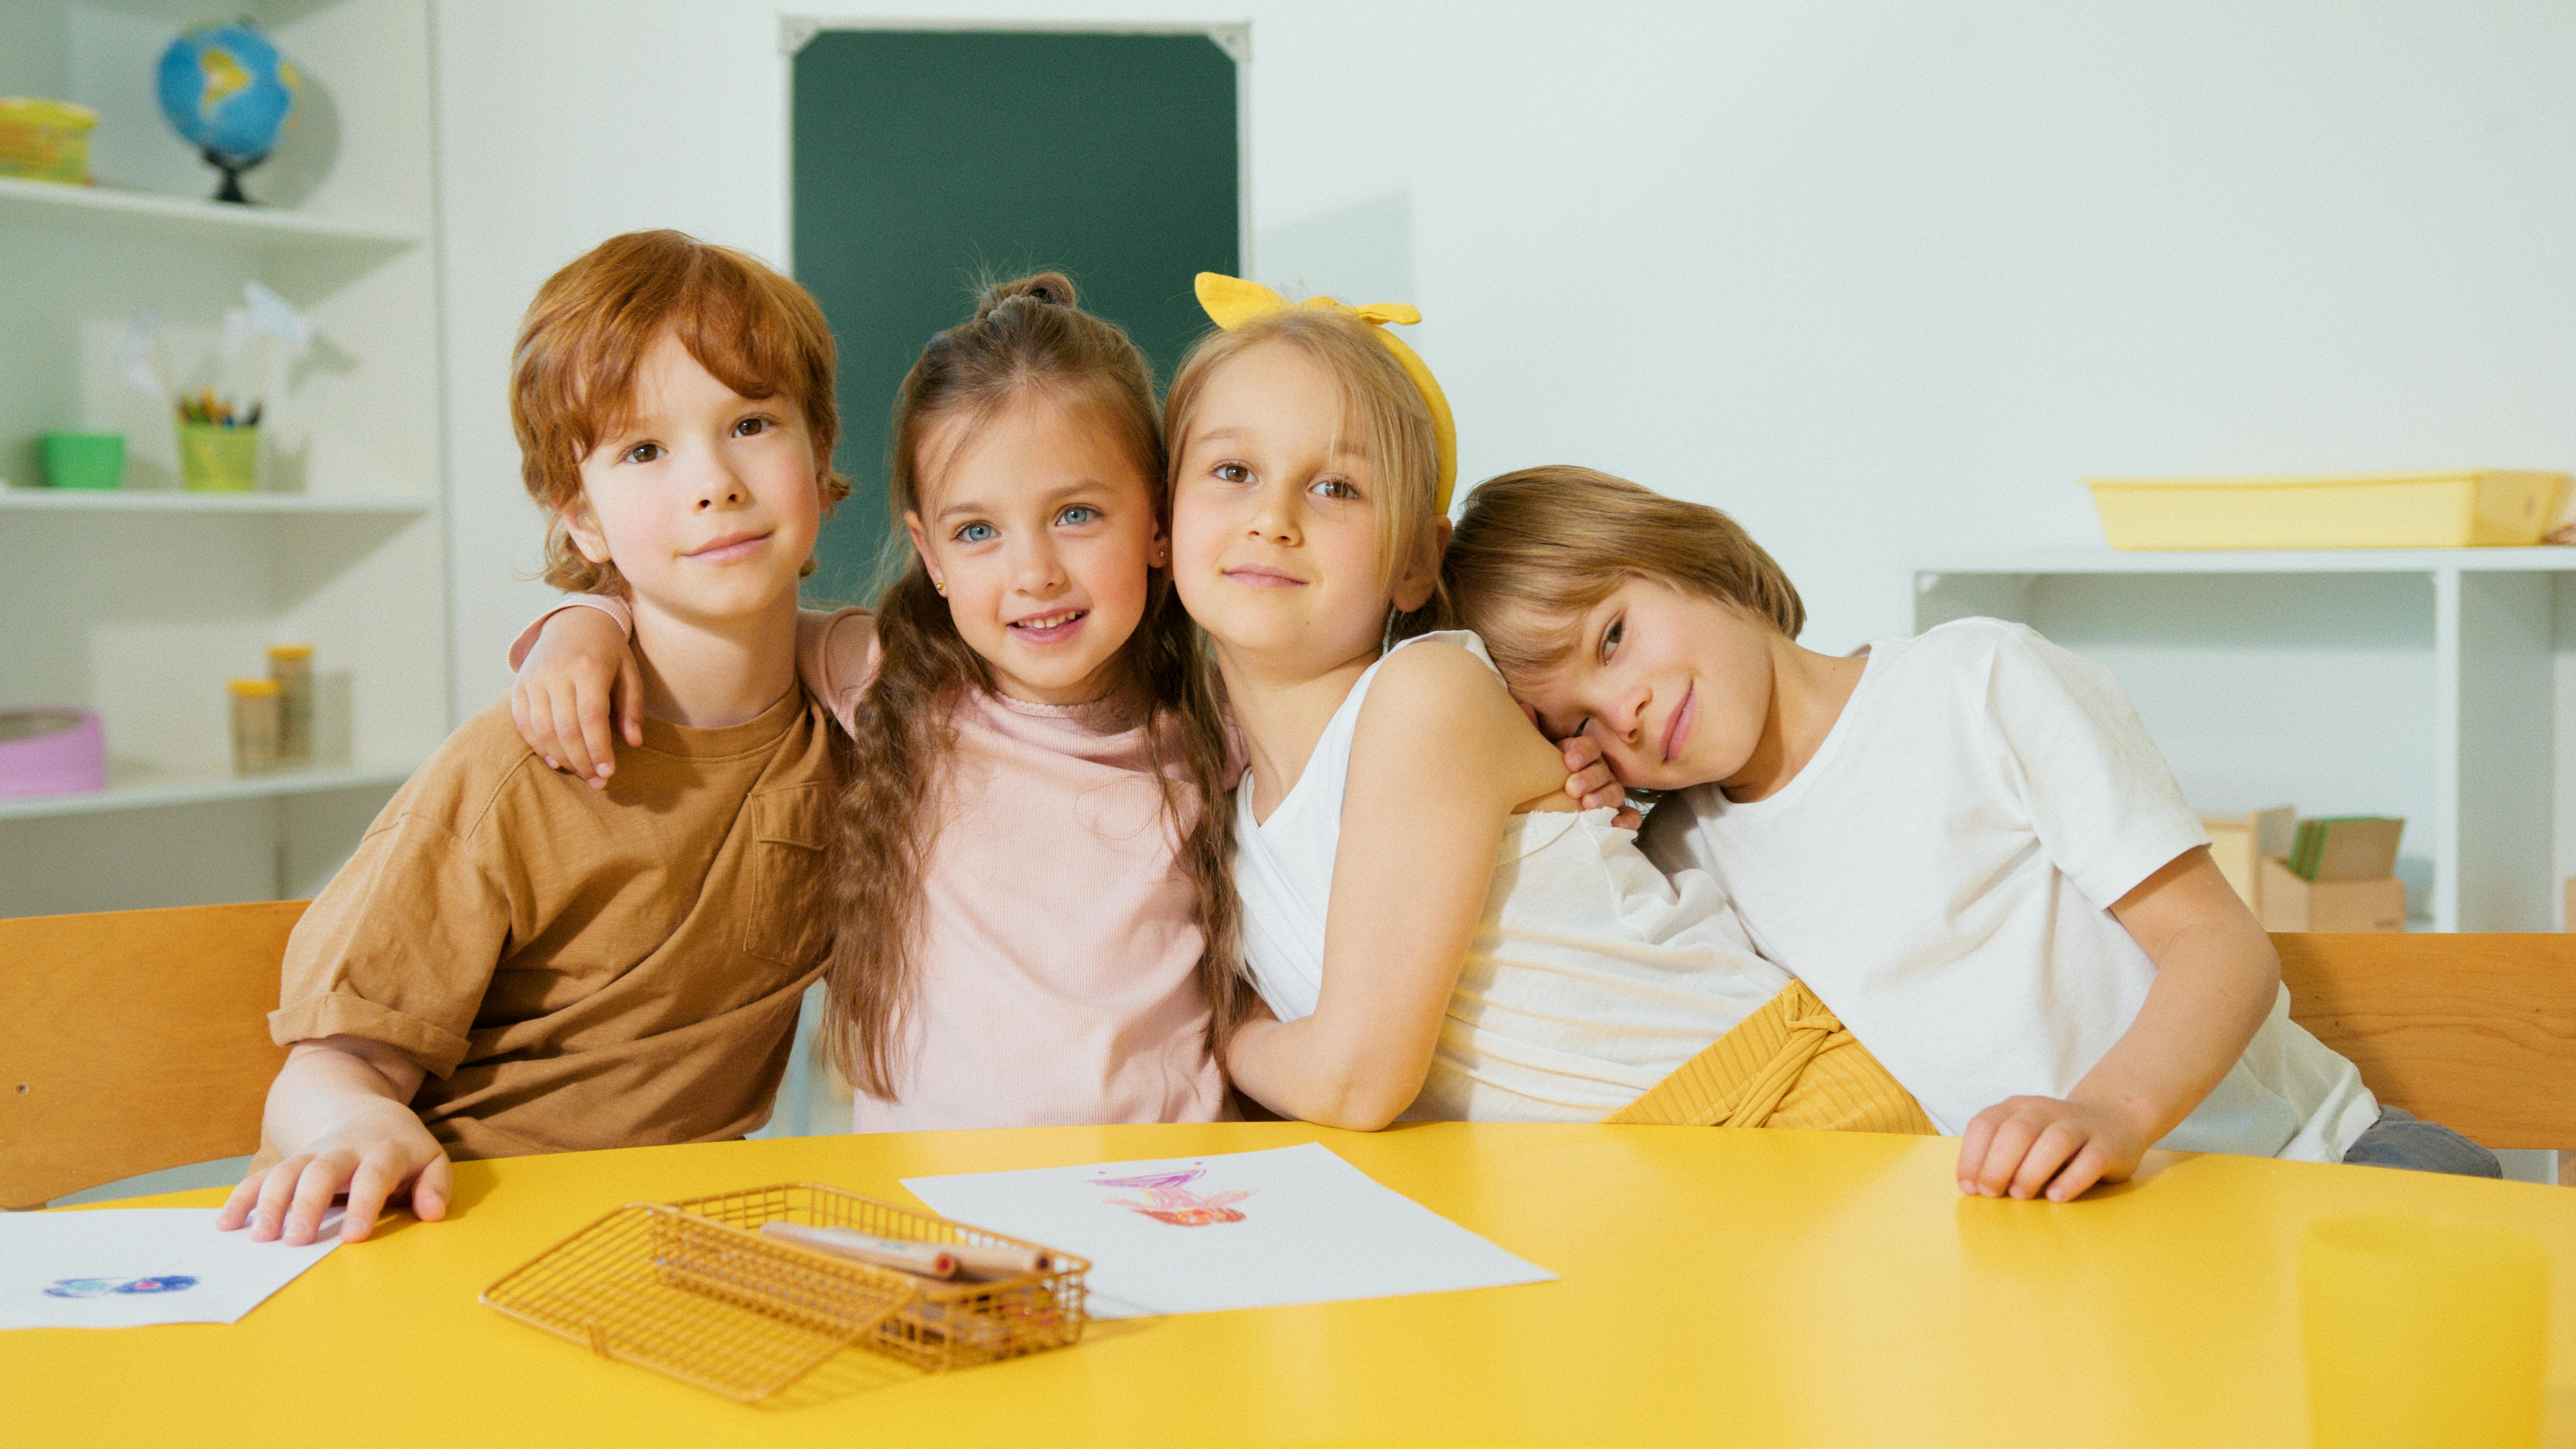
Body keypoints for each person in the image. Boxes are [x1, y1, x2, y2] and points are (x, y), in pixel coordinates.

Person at [504, 275, 1629, 1130]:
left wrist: (1567, 771)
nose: (1033, 573)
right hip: (942, 1215)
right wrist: (585, 624)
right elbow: (713, 636)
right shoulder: (888, 680)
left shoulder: (1222, 719)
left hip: (1175, 1195)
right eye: (980, 532)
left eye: (1078, 516)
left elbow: (1388, 777)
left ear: (1155, 523)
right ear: (930, 556)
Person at [1442, 465, 2503, 1196]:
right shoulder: (1685, 848)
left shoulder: (1976, 681)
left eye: (1614, 637)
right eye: (1575, 720)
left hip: (2312, 1166)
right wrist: (1584, 804)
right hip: (2088, 1229)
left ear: (1690, 558)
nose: (1618, 708)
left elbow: (2219, 944)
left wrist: (2111, 1116)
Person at [1165, 275, 1932, 1135]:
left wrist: (1216, 1034)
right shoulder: (1231, 821)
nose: (1273, 517)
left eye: (1336, 488)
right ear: (1165, 519)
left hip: (1773, 1109)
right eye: (1233, 471)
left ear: (1419, 562)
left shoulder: (1427, 698)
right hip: (1604, 1183)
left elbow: (1357, 1084)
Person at [220, 229, 847, 1247]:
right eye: (645, 451)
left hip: (656, 1245)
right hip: (428, 1224)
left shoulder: (859, 734)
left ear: (819, 456)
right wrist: (356, 1129)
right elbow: (331, 1067)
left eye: (752, 424)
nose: (715, 482)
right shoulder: (518, 768)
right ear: (582, 519)